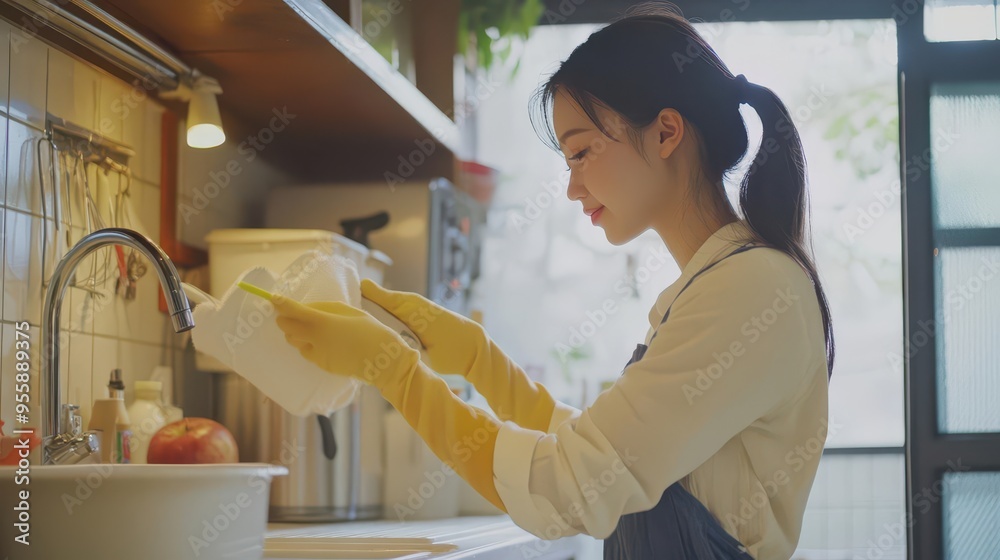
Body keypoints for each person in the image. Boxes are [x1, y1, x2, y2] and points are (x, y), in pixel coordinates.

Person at [271, 3, 834, 558]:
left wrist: (396, 374)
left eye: (582, 152)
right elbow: (609, 454)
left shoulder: (752, 288)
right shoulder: (725, 282)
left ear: (666, 132)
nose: (571, 187)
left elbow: (572, 485)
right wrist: (481, 362)